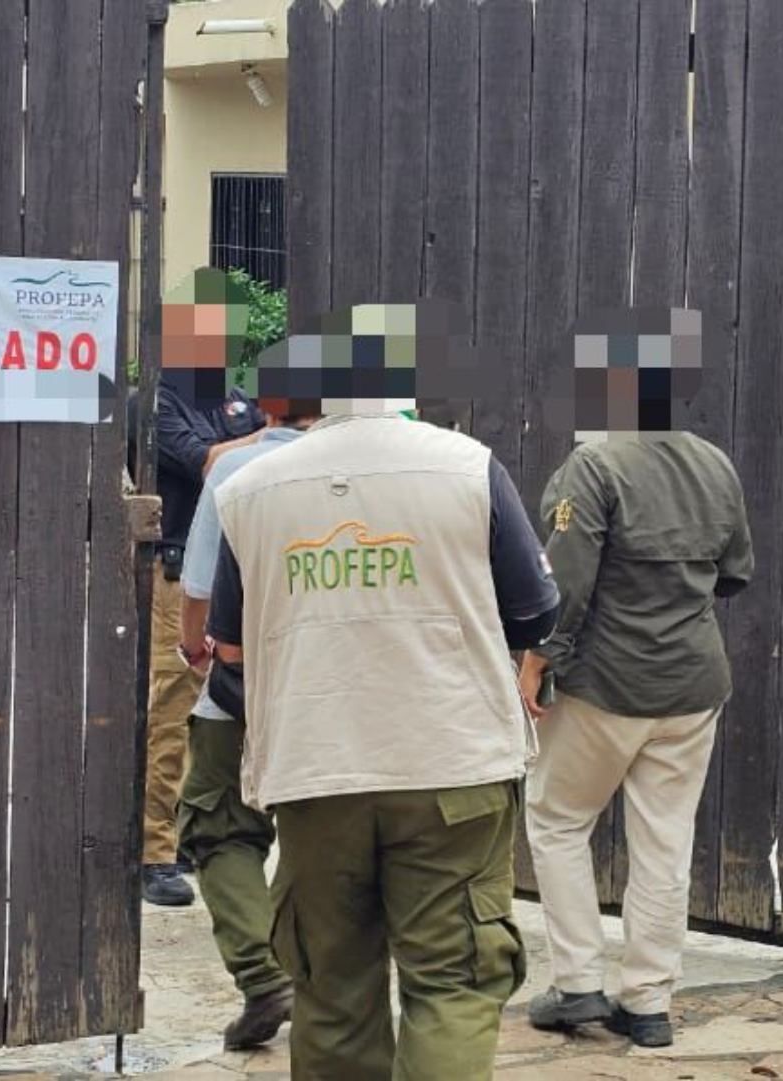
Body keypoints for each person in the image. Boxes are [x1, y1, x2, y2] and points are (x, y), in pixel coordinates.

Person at [203, 303, 560, 1081]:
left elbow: (227, 646)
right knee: (453, 983)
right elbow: (537, 609)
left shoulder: (251, 489)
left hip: (316, 768)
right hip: (452, 765)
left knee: (330, 988)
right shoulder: (468, 466)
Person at [517, 308, 754, 1049]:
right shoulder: (715, 463)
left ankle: (578, 983)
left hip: (606, 683)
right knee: (664, 839)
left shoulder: (594, 465)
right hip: (692, 684)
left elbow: (567, 581)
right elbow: (735, 573)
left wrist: (537, 657)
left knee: (557, 819)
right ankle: (648, 1001)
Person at [172, 360, 318, 1050]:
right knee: (327, 833)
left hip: (239, 685)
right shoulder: (365, 467)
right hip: (334, 690)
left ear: (262, 402)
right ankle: (327, 986)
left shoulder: (235, 474)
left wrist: (190, 646)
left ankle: (264, 975)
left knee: (218, 826)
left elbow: (198, 584)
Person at [131, 268, 269, 907]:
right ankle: (155, 851)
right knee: (171, 709)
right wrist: (265, 438)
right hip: (177, 574)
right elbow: (209, 462)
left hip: (237, 571)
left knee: (222, 708)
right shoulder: (157, 400)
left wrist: (251, 439)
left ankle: (188, 831)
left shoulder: (235, 399)